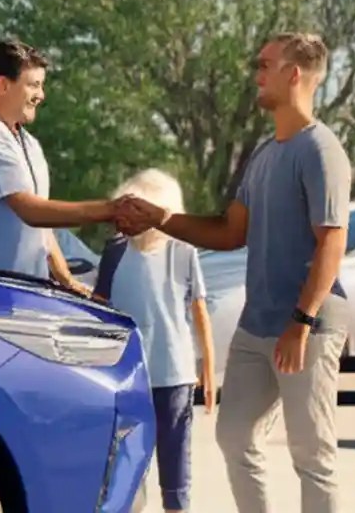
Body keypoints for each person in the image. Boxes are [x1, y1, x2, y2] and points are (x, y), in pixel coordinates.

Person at [117, 32, 352, 513]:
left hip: (307, 326)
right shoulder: (264, 154)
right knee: (235, 434)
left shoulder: (320, 150)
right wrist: (160, 218)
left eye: (265, 65)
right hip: (257, 325)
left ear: (294, 74)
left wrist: (302, 322)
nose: (256, 74)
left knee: (312, 453)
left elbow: (332, 240)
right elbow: (229, 232)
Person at [0, 39, 117, 292]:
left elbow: (42, 229)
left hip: (24, 292)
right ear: (3, 85)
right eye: (34, 85)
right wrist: (110, 210)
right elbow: (32, 212)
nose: (41, 95)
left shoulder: (30, 144)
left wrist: (68, 281)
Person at [98, 168, 215, 513]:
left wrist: (208, 366)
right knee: (126, 460)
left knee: (175, 457)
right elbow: (101, 308)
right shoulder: (115, 251)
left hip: (174, 373)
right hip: (127, 374)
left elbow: (199, 309)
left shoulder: (183, 251)